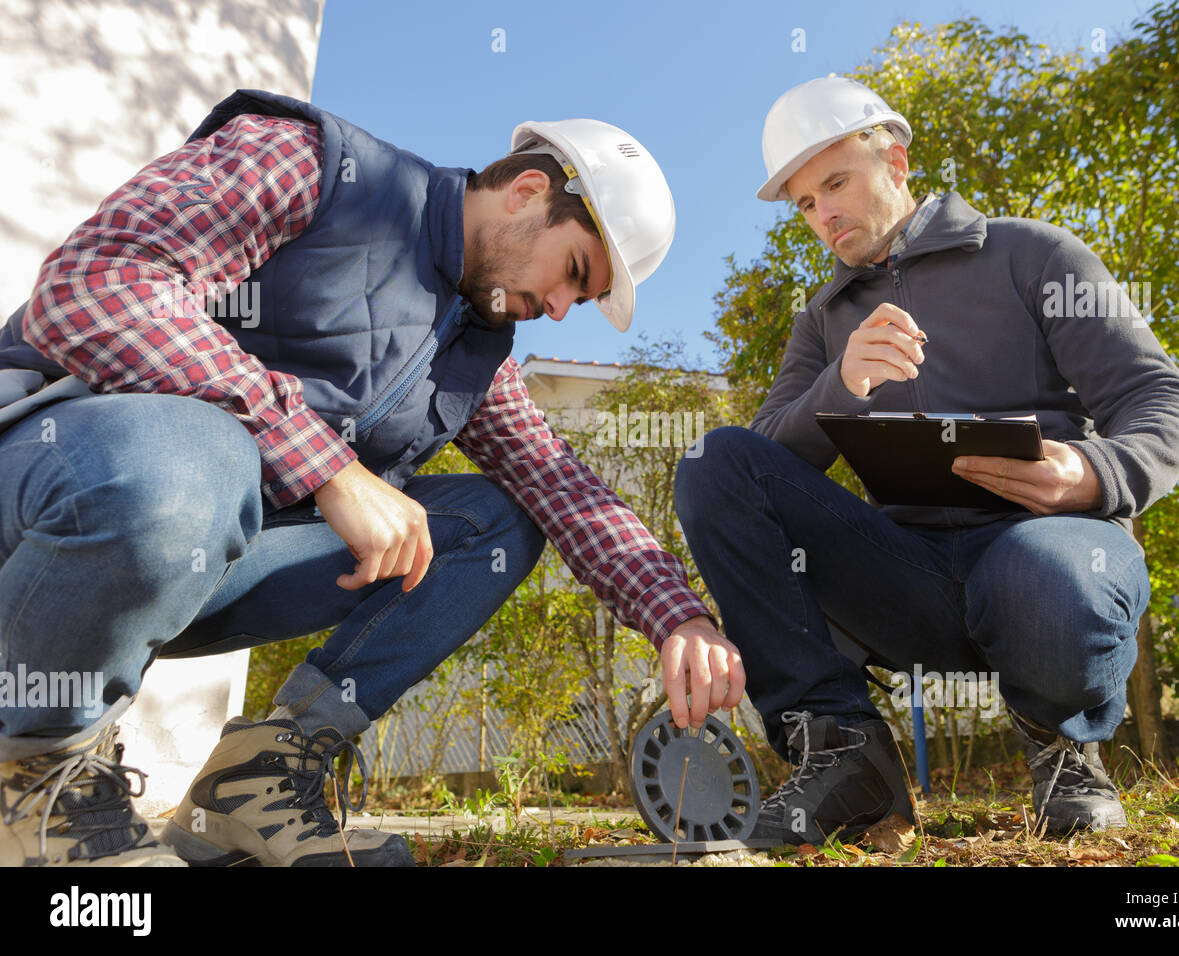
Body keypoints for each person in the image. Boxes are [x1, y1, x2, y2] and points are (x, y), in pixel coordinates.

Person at [0, 89, 744, 867]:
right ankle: (35, 769)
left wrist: (679, 618)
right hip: (53, 496)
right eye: (574, 272)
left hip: (193, 566)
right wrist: (327, 466)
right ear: (530, 192)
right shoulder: (309, 165)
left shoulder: (475, 352)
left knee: (495, 522)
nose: (559, 309)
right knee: (205, 443)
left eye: (580, 302)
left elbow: (564, 487)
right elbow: (92, 287)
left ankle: (253, 784)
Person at [674, 76, 1179, 844]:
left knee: (1045, 575)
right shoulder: (823, 322)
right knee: (715, 460)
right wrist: (844, 383)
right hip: (908, 574)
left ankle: (1064, 748)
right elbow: (758, 467)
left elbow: (1164, 402)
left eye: (835, 183)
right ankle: (845, 751)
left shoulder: (1033, 254)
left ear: (894, 160)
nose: (823, 215)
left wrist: (1091, 475)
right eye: (804, 204)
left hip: (1048, 552)